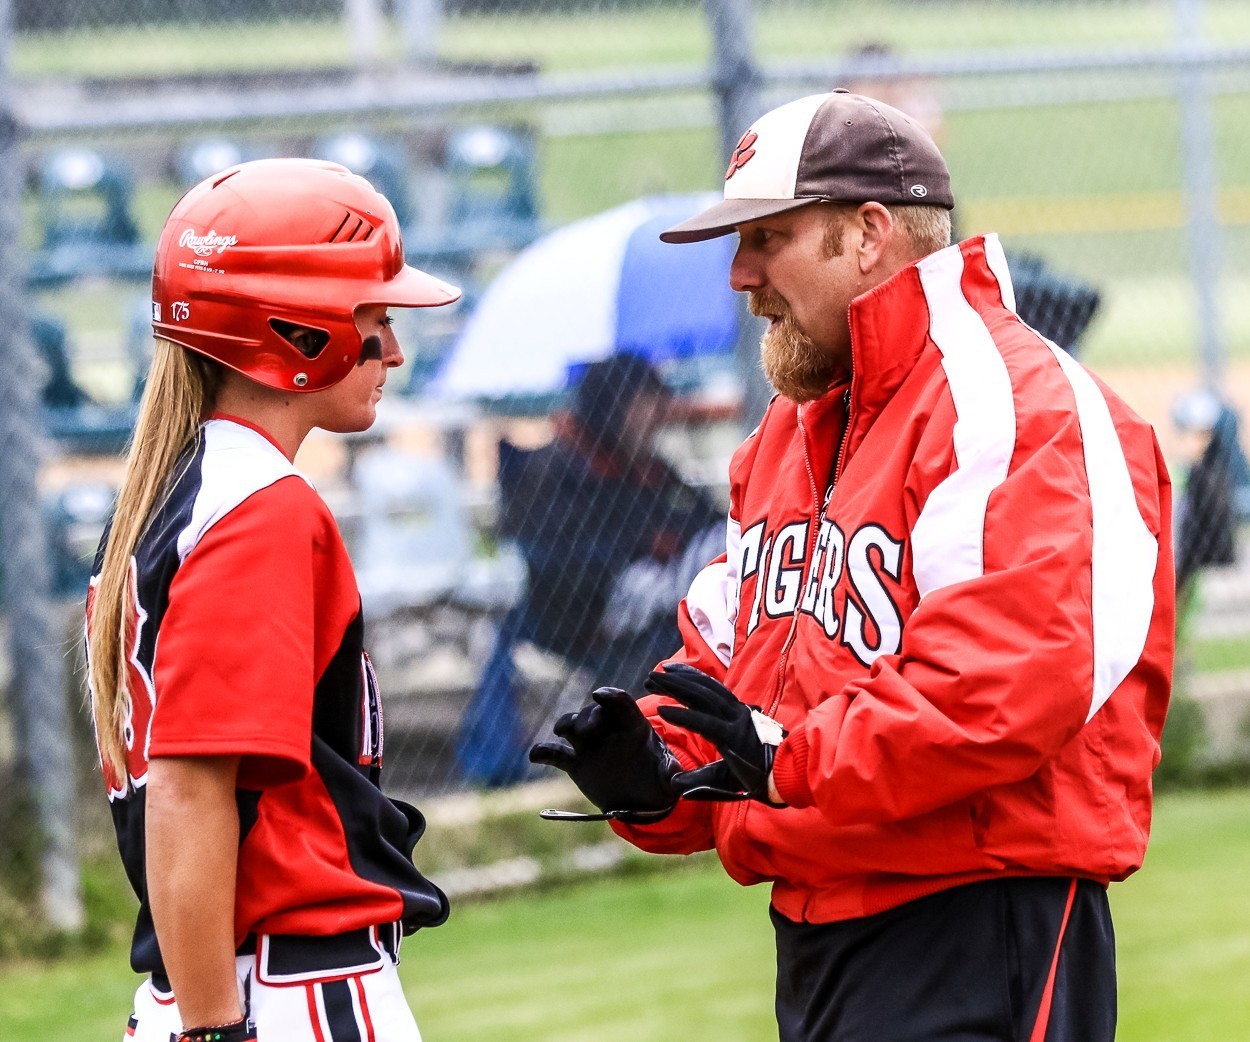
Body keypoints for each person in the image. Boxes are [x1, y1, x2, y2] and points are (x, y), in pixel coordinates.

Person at [529, 90, 1175, 1042]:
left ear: (867, 233)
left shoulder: (1010, 407)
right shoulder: (790, 431)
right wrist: (656, 769)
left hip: (980, 920)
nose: (741, 276)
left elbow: (998, 693)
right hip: (819, 926)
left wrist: (787, 760)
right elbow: (733, 673)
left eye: (767, 239)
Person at [85, 158, 461, 1042]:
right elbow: (189, 789)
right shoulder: (260, 508)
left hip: (216, 979)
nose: (393, 350)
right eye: (374, 317)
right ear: (293, 328)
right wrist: (218, 1029)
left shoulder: (166, 495)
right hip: (281, 988)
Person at [457, 352, 723, 785]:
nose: (656, 417)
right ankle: (500, 767)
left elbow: (704, 523)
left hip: (644, 621)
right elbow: (553, 558)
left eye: (658, 403)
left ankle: (688, 747)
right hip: (566, 620)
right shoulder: (557, 467)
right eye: (643, 405)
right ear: (613, 408)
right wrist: (631, 566)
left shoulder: (647, 470)